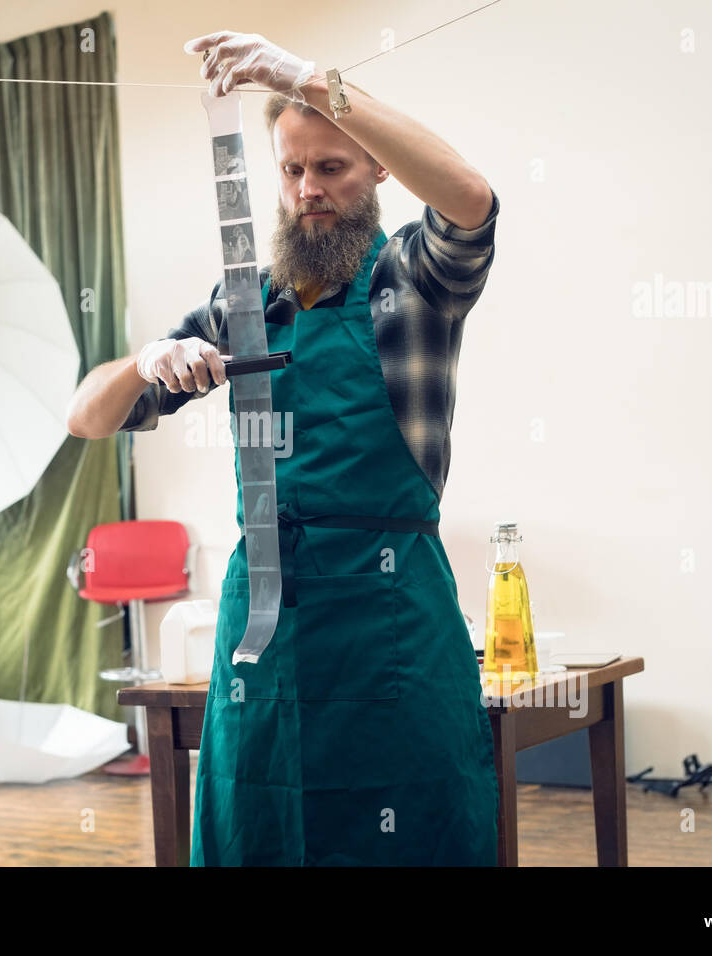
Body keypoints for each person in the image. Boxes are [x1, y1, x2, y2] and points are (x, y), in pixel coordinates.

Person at [66, 31, 501, 866]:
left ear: (376, 166)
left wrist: (303, 77)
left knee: (412, 819)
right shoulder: (248, 302)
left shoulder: (414, 280)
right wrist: (145, 361)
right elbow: (86, 415)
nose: (309, 190)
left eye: (331, 167)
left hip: (393, 613)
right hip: (268, 620)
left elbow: (472, 199)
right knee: (263, 826)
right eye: (293, 170)